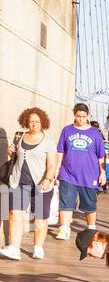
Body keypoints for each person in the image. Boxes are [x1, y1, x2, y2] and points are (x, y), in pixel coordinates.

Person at [0, 107, 59, 261]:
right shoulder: (19, 136)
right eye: (31, 121)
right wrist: (10, 151)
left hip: (40, 184)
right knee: (14, 212)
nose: (34, 124)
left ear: (43, 122)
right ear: (26, 121)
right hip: (18, 181)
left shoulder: (48, 143)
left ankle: (38, 247)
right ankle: (14, 248)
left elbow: (52, 165)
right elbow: (15, 158)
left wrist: (48, 179)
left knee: (40, 217)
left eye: (37, 122)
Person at [54, 103, 107, 238]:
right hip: (68, 173)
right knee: (66, 201)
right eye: (78, 116)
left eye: (84, 116)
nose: (81, 119)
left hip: (89, 174)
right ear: (74, 115)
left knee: (89, 204)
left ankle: (91, 228)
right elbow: (60, 150)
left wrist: (103, 173)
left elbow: (101, 156)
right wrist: (57, 168)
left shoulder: (95, 133)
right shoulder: (67, 130)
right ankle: (64, 228)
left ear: (88, 116)